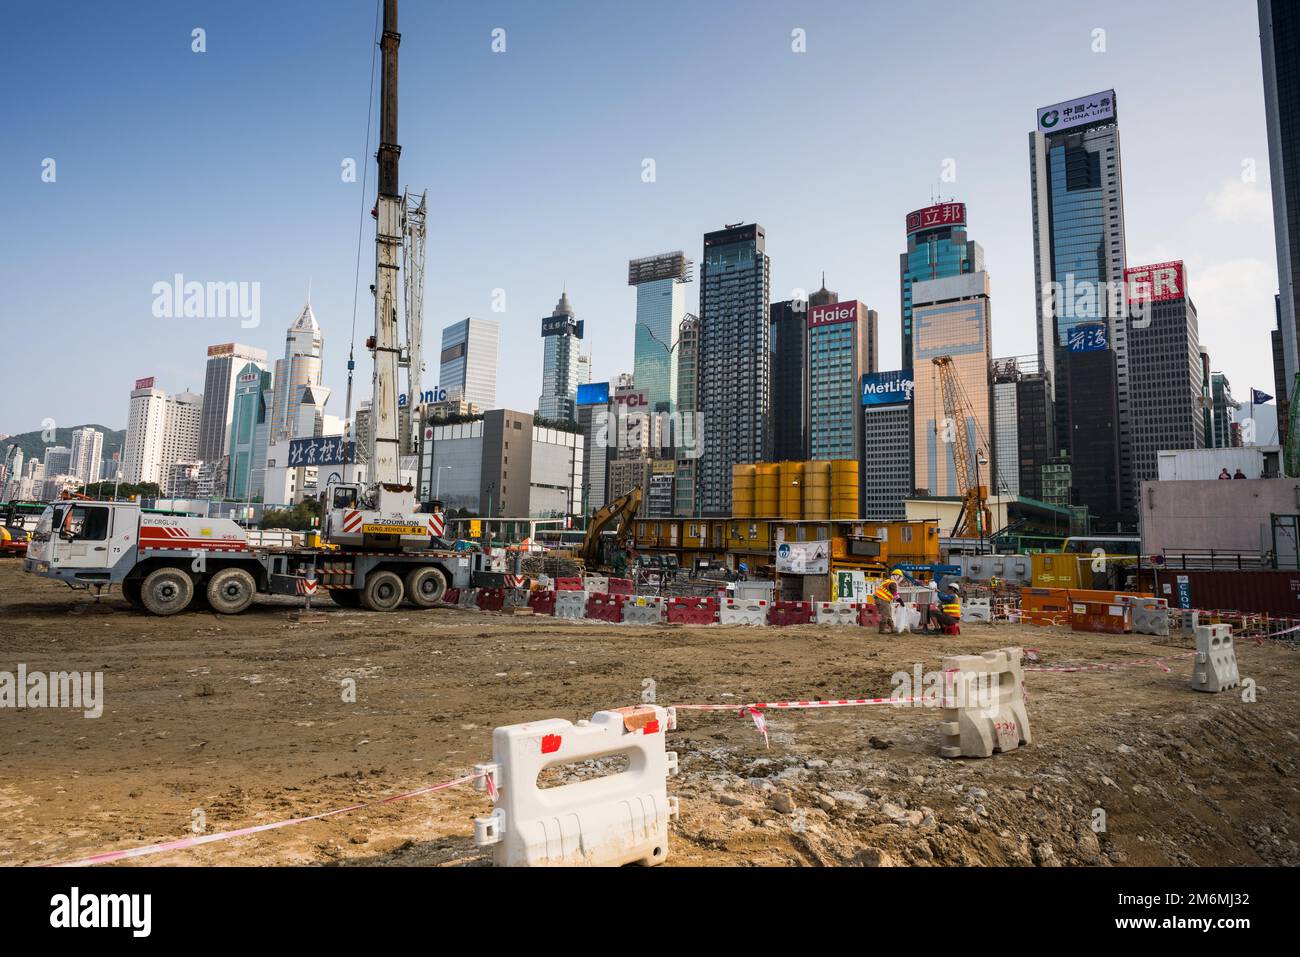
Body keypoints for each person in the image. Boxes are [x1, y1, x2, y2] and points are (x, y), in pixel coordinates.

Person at [873, 569, 904, 634]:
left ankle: (893, 629)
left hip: (880, 599)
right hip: (882, 599)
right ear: (897, 576)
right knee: (886, 615)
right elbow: (894, 593)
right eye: (900, 577)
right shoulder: (892, 583)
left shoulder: (887, 581)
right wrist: (900, 601)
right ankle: (881, 630)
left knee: (888, 614)